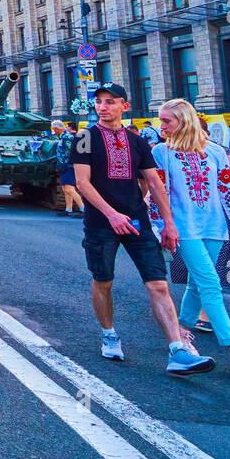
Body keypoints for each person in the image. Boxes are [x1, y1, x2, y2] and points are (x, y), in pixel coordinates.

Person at [72, 83, 213, 375]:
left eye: (110, 102)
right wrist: (111, 215)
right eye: (99, 102)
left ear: (125, 106)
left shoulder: (137, 142)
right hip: (101, 223)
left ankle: (177, 350)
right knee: (104, 281)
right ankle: (109, 332)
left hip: (138, 221)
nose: (103, 107)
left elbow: (155, 184)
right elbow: (82, 183)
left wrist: (169, 224)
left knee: (158, 283)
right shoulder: (85, 137)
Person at [147, 98, 230, 378]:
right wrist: (162, 226)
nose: (161, 126)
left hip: (214, 226)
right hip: (183, 229)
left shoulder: (214, 152)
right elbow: (157, 193)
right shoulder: (160, 152)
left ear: (183, 121)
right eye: (160, 120)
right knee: (211, 283)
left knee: (198, 284)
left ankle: (184, 333)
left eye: (166, 121)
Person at [52, 119, 85, 217]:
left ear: (57, 128)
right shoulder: (63, 137)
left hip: (69, 165)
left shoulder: (67, 137)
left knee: (69, 188)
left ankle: (83, 209)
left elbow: (72, 151)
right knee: (65, 189)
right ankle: (68, 209)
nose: (53, 130)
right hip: (64, 165)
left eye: (54, 128)